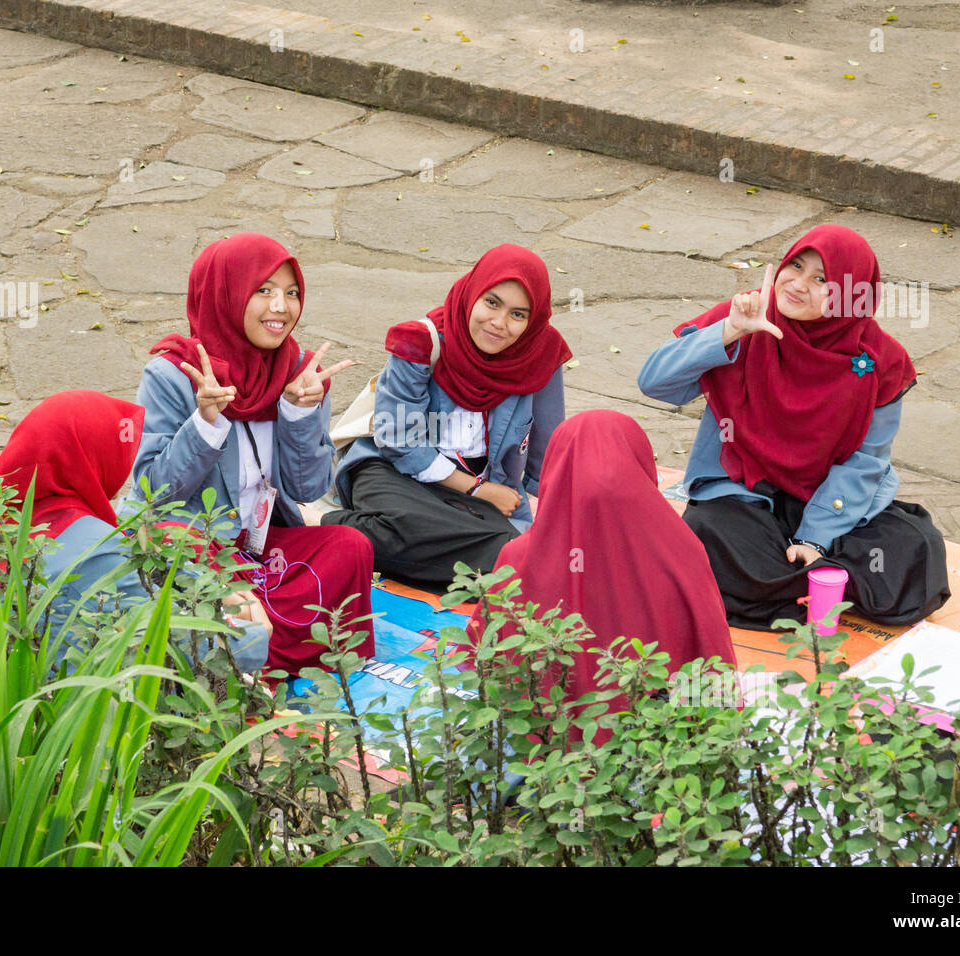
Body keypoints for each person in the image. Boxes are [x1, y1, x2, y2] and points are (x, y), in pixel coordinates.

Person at [637, 223, 950, 630]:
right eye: (796, 266)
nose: (798, 284)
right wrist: (729, 333)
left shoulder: (880, 359)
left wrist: (814, 537)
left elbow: (867, 461)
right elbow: (655, 382)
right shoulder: (748, 318)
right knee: (709, 535)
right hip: (744, 491)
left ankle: (791, 584)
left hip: (830, 498)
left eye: (821, 279)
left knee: (917, 548)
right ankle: (826, 587)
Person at [130, 232, 375, 675]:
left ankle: (242, 654)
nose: (281, 307)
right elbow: (151, 491)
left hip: (259, 546)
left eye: (291, 292)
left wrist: (300, 415)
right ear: (226, 294)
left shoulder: (297, 372)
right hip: (195, 543)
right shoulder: (174, 373)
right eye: (263, 290)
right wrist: (205, 422)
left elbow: (310, 488)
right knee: (182, 553)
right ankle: (242, 650)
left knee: (350, 545)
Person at [463, 410, 737, 746]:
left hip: (545, 756)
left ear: (556, 470)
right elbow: (712, 662)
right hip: (661, 752)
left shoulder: (518, 559)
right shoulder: (683, 551)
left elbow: (483, 661)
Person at [323, 244, 569, 584]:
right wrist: (476, 491)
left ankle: (380, 541)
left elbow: (548, 448)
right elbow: (398, 441)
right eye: (492, 302)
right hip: (393, 470)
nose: (499, 323)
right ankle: (324, 527)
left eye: (518, 314)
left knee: (511, 550)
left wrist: (558, 517)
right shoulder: (421, 341)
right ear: (473, 294)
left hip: (479, 489)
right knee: (420, 525)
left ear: (533, 319)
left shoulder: (539, 356)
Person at [0, 389, 272, 671]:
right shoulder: (96, 549)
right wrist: (257, 635)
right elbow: (192, 648)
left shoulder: (5, 525)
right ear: (90, 459)